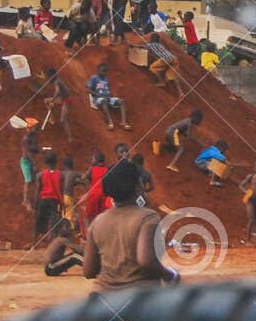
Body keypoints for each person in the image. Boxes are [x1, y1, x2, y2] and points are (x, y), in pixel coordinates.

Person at [81, 160, 176, 290]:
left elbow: (88, 271)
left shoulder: (98, 221)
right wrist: (170, 275)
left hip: (101, 295)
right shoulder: (148, 217)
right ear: (137, 187)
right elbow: (146, 260)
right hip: (139, 295)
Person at [86, 63, 132, 131]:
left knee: (122, 101)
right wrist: (97, 95)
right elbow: (88, 90)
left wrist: (110, 96)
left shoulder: (106, 79)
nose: (104, 73)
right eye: (103, 71)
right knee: (104, 101)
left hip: (108, 97)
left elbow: (107, 90)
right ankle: (110, 122)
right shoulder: (93, 78)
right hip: (98, 98)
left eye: (106, 71)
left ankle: (123, 122)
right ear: (98, 70)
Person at [32, 148, 64, 241]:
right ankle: (51, 239)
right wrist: (61, 203)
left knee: (39, 219)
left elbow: (37, 191)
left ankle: (34, 241)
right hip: (54, 200)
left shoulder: (40, 175)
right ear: (56, 161)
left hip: (44, 199)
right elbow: (61, 190)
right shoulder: (60, 175)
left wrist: (35, 203)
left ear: (45, 161)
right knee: (53, 219)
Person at [40, 67, 73, 138]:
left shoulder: (56, 82)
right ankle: (51, 119)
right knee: (46, 101)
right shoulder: (58, 80)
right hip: (62, 98)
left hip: (66, 101)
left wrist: (52, 100)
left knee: (63, 120)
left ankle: (70, 137)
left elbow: (57, 91)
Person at [19, 129, 41, 214]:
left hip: (31, 162)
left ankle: (32, 200)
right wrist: (34, 164)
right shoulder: (25, 139)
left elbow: (35, 149)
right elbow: (28, 153)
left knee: (34, 182)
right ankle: (25, 201)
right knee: (28, 181)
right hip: (26, 162)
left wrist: (39, 149)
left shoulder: (34, 137)